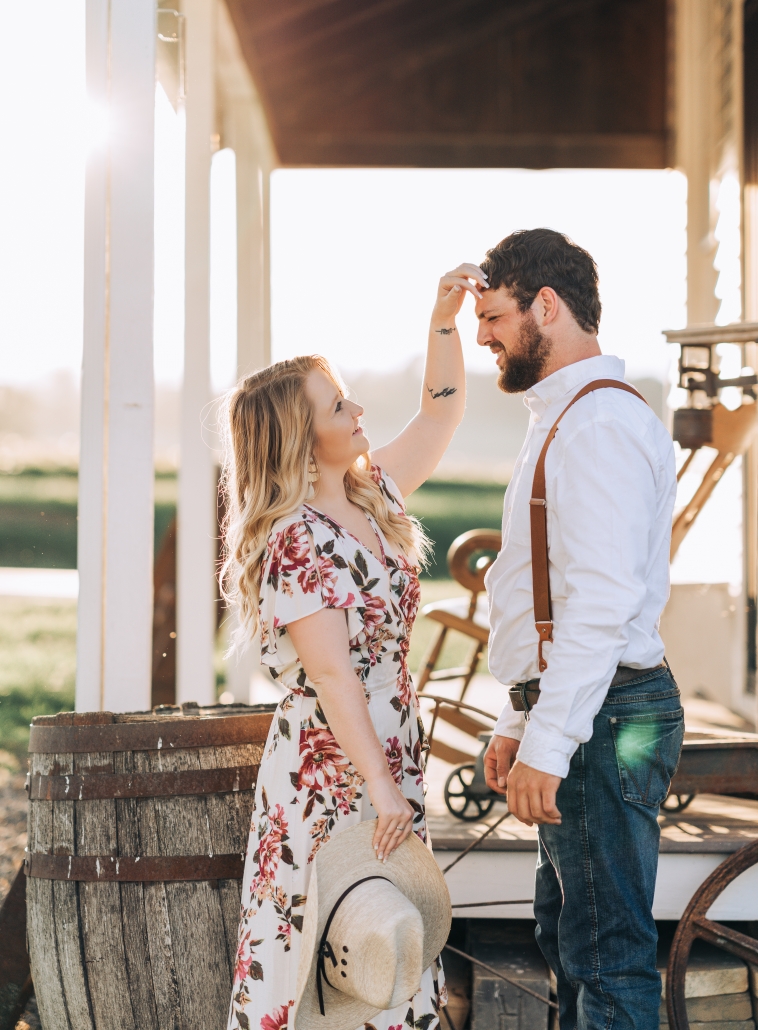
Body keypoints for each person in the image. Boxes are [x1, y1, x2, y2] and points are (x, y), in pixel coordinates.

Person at [222, 263, 487, 1030]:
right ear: (304, 435)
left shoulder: (374, 492)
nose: (359, 407)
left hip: (386, 745)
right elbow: (334, 676)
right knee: (326, 948)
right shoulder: (295, 539)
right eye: (340, 404)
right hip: (331, 764)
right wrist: (383, 789)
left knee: (387, 941)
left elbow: (438, 418)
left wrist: (442, 321)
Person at [478, 228, 683, 1030]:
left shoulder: (595, 428)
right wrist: (516, 717)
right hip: (586, 714)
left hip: (605, 721)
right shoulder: (565, 416)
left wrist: (548, 743)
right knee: (570, 942)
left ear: (548, 306)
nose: (486, 339)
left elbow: (598, 608)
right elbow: (546, 600)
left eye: (493, 317)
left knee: (606, 958)